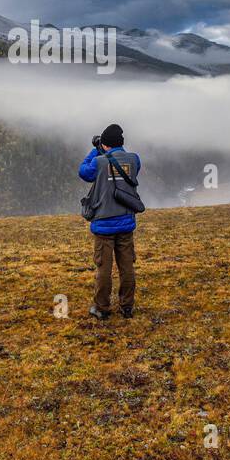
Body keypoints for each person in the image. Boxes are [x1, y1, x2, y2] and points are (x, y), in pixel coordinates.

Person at [79, 123, 142, 320]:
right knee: (126, 267)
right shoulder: (134, 160)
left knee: (104, 268)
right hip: (125, 221)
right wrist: (106, 149)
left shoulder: (99, 162)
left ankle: (102, 307)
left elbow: (84, 172)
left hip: (104, 223)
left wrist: (94, 149)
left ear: (105, 145)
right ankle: (127, 306)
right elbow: (126, 167)